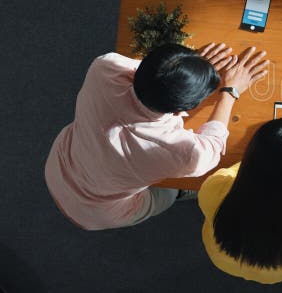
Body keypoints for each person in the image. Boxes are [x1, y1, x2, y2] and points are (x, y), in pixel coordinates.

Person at [45, 43, 268, 230]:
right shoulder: (180, 152)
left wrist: (186, 69)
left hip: (58, 168)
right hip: (96, 213)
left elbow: (148, 73)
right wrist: (230, 91)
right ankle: (180, 193)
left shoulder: (103, 67)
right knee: (170, 191)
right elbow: (212, 147)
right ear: (182, 109)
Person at [198, 116, 282, 283]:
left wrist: (272, 147)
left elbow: (243, 170)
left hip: (220, 259)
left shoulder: (214, 188)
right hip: (271, 275)